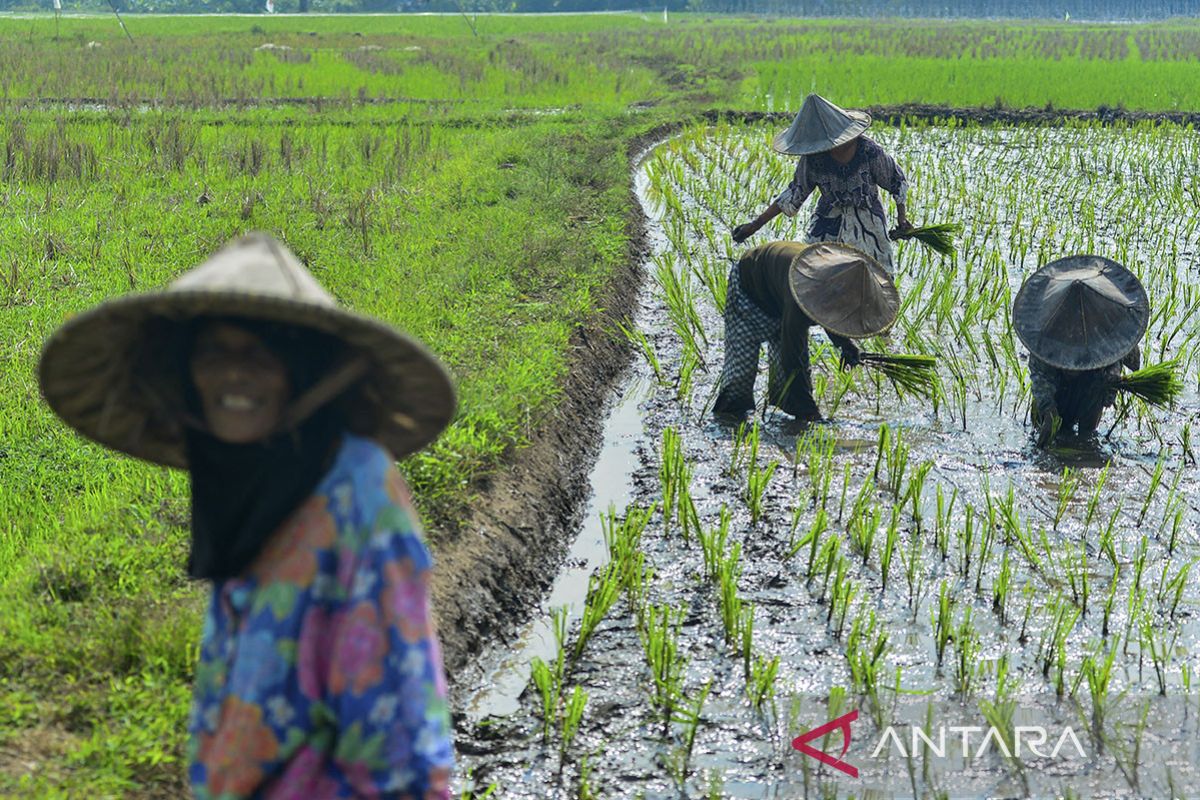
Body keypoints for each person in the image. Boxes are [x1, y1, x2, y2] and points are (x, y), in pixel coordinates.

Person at [38, 233, 458, 799]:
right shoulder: (241, 476)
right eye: (214, 352)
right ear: (186, 372)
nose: (235, 374)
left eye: (260, 352)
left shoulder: (359, 500)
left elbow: (400, 750)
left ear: (302, 371)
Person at [713, 240, 899, 423]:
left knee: (782, 381)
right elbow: (792, 355)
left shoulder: (835, 282)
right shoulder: (802, 296)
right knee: (741, 374)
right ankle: (728, 420)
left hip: (779, 289)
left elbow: (832, 311)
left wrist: (845, 344)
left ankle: (787, 416)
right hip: (750, 287)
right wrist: (810, 412)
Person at [732, 94, 912, 273]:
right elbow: (794, 193)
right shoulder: (813, 159)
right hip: (828, 222)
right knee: (812, 273)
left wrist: (901, 219)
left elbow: (896, 181)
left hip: (868, 223)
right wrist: (755, 225)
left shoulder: (869, 152)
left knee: (875, 276)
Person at [1012, 254, 1149, 447]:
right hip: (1056, 397)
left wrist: (1113, 379)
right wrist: (1049, 411)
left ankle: (1085, 445)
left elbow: (1133, 363)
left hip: (1089, 392)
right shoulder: (1048, 337)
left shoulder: (1107, 334)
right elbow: (1041, 383)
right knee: (1049, 437)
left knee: (1087, 437)